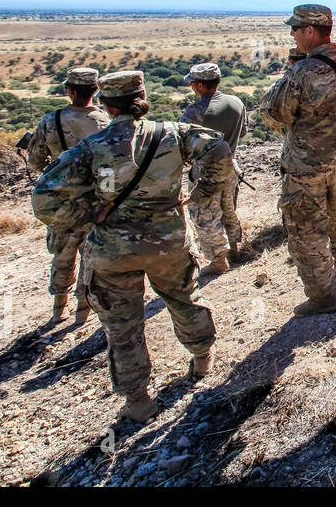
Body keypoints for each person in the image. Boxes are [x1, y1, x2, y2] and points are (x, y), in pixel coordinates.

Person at [31, 71, 228, 423]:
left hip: (111, 250)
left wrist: (88, 214)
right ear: (142, 98)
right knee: (183, 300)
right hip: (168, 243)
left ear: (107, 105)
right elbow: (219, 148)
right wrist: (200, 194)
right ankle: (201, 361)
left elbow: (44, 199)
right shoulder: (172, 133)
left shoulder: (92, 147)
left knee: (122, 325)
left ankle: (138, 400)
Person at [261, 5, 336, 316]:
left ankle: (321, 296)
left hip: (307, 165)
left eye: (295, 29)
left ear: (310, 31)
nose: (292, 34)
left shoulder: (303, 71)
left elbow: (276, 113)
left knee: (306, 230)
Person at [27, 67, 110, 324]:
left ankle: (58, 308)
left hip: (60, 199)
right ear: (95, 91)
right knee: (90, 255)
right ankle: (83, 310)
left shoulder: (51, 121)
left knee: (62, 254)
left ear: (70, 91)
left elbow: (35, 160)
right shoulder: (106, 122)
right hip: (94, 200)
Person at [179, 62, 247, 275]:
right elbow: (243, 132)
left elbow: (183, 144)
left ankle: (218, 261)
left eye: (192, 83)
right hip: (231, 166)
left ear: (199, 85)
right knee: (228, 210)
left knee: (205, 215)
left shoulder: (195, 112)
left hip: (206, 170)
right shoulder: (236, 102)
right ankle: (235, 250)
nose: (191, 86)